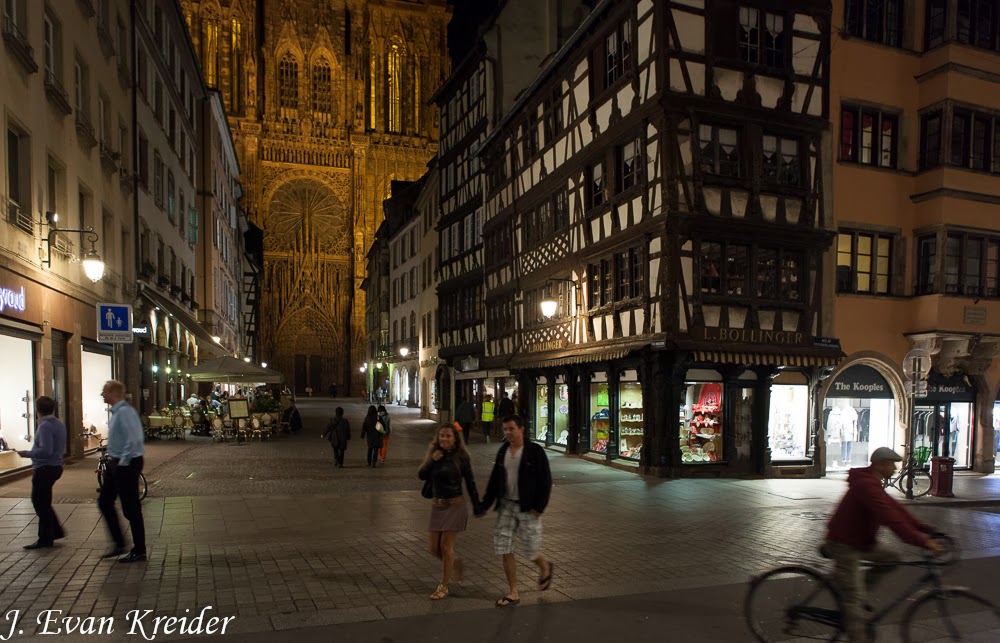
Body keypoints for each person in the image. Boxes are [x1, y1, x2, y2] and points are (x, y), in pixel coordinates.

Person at [824, 447, 943, 642]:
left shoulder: (873, 483)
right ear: (880, 464)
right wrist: (924, 542)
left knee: (891, 558)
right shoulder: (866, 486)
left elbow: (896, 510)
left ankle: (854, 590)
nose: (895, 469)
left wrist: (925, 529)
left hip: (861, 542)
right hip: (844, 543)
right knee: (853, 600)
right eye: (891, 464)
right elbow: (891, 519)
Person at [477, 414, 554, 607]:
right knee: (504, 547)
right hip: (506, 506)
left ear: (521, 429)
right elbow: (495, 480)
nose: (508, 432)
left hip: (527, 507)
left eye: (511, 428)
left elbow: (545, 480)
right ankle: (513, 592)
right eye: (505, 429)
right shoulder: (503, 450)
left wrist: (539, 506)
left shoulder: (534, 451)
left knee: (531, 550)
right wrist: (485, 505)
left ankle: (545, 566)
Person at [418, 424, 481, 600]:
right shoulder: (435, 454)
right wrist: (432, 460)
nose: (444, 439)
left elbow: (470, 482)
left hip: (455, 505)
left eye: (448, 436)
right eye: (442, 436)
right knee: (434, 548)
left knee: (446, 547)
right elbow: (421, 475)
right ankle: (455, 563)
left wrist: (477, 505)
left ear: (455, 438)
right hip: (437, 506)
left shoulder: (461, 457)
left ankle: (444, 586)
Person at [98, 380, 147, 563]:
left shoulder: (125, 412)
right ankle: (119, 543)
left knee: (131, 508)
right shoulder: (117, 413)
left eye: (104, 391)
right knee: (105, 501)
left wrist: (123, 463)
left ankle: (139, 549)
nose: (102, 394)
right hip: (117, 462)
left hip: (126, 463)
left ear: (113, 392)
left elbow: (134, 439)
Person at [17, 396, 66, 549]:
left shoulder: (45, 426)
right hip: (55, 466)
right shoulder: (58, 424)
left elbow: (46, 450)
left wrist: (26, 453)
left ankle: (46, 538)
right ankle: (53, 531)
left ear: (37, 409)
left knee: (40, 502)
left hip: (45, 468)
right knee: (44, 502)